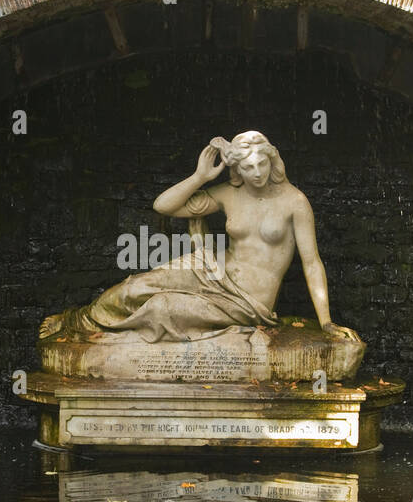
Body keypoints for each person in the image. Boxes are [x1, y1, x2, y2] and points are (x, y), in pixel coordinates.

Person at [39, 131, 361, 344]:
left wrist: (327, 322)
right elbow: (163, 206)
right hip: (211, 271)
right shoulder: (228, 193)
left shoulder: (295, 202)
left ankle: (100, 332)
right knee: (136, 286)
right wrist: (200, 177)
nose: (258, 173)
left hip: (247, 302)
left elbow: (312, 262)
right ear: (237, 170)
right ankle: (77, 322)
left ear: (273, 160)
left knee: (161, 307)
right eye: (249, 167)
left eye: (263, 163)